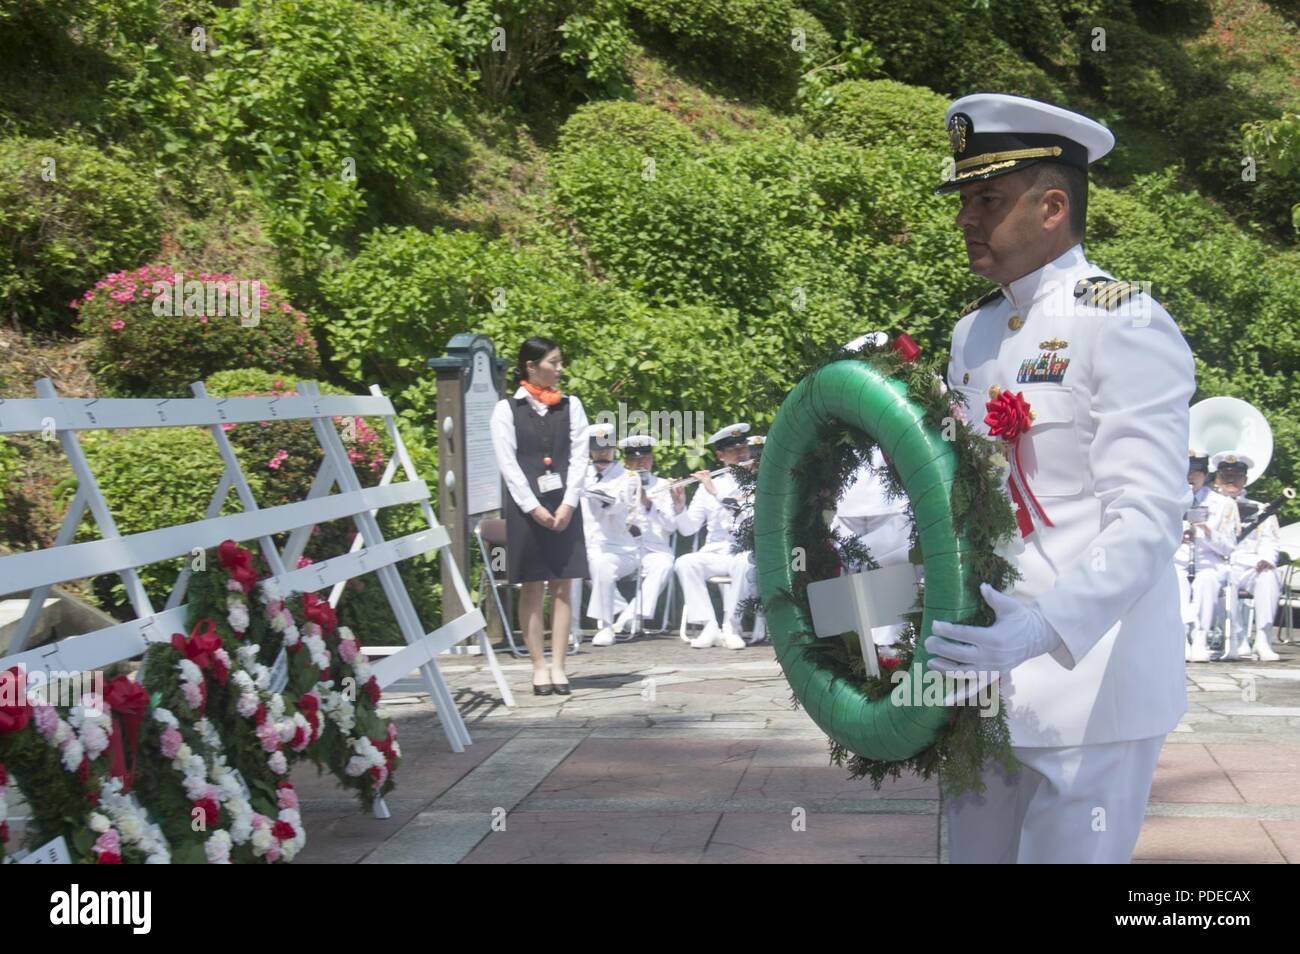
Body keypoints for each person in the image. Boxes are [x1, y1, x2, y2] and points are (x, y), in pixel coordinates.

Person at [929, 93, 1196, 863]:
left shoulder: (1123, 321)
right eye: (964, 199)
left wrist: (1043, 627)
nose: (966, 218)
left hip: (1091, 686)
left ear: (1052, 208)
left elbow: (1145, 519)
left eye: (987, 199)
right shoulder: (974, 331)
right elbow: (966, 499)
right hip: (986, 682)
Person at [489, 336, 589, 695]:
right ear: (531, 366)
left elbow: (580, 457)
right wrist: (533, 507)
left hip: (565, 505)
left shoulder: (571, 406)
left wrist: (568, 504)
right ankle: (538, 666)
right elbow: (508, 464)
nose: (560, 369)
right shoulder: (506, 410)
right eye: (553, 362)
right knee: (532, 585)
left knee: (563, 586)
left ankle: (559, 665)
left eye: (560, 362)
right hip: (527, 507)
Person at [671, 423, 754, 650]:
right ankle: (709, 626)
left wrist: (715, 493)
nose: (741, 454)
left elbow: (748, 518)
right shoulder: (708, 485)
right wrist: (679, 507)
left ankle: (731, 627)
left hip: (744, 551)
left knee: (743, 563)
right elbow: (688, 529)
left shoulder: (757, 481)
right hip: (716, 552)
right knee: (685, 563)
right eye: (734, 450)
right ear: (721, 455)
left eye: (743, 448)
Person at [1212, 452, 1282, 661]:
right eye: (1226, 476)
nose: (1231, 480)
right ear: (1217, 479)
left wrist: (1267, 559)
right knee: (1223, 579)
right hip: (1222, 563)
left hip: (1251, 564)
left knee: (1270, 576)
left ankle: (1263, 638)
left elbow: (1270, 540)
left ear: (1245, 479)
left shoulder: (1260, 509)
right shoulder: (1210, 506)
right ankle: (1237, 638)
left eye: (1236, 477)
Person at [1173, 451, 1238, 662]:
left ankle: (1200, 638)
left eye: (1196, 472)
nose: (1190, 476)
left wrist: (1208, 532)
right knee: (1175, 580)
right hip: (1178, 560)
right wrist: (1177, 536)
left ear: (1205, 475)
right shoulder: (1170, 500)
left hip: (1209, 562)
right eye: (1187, 471)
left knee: (1206, 582)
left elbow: (1229, 547)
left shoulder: (1223, 504)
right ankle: (1181, 638)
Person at [610, 434, 678, 635]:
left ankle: (631, 618)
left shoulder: (664, 485)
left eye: (645, 459)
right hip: (623, 548)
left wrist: (648, 504)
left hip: (654, 550)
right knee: (593, 565)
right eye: (635, 459)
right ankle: (623, 611)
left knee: (663, 565)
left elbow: (672, 526)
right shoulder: (615, 485)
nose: (641, 464)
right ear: (626, 463)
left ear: (652, 460)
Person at [579, 422, 639, 647]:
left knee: (601, 565)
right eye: (597, 449)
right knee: (569, 566)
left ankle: (605, 626)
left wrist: (599, 496)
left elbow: (618, 506)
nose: (602, 453)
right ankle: (571, 628)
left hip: (620, 550)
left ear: (614, 448)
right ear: (590, 450)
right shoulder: (580, 475)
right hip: (587, 548)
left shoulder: (628, 477)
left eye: (607, 448)